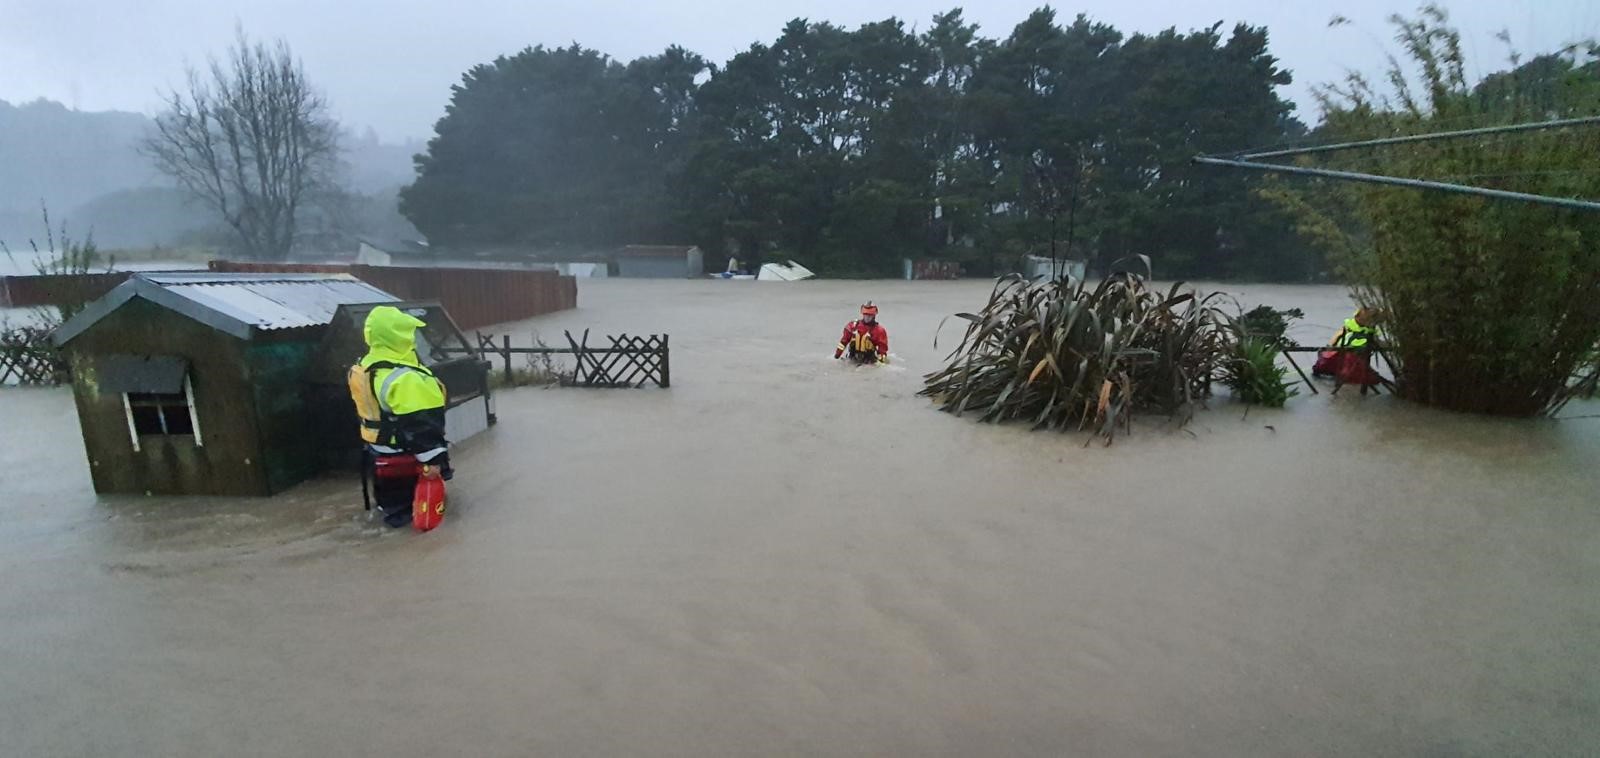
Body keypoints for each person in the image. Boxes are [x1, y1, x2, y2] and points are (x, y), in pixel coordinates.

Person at [347, 305, 452, 527]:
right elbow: (421, 424)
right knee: (411, 516)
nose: (412, 338)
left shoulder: (365, 365)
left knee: (390, 509)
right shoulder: (405, 378)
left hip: (377, 450)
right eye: (408, 333)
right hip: (403, 453)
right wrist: (433, 462)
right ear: (399, 336)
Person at [1312, 307, 1384, 391]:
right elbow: (1336, 337)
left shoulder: (1367, 329)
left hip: (1352, 355)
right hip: (1346, 354)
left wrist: (1330, 347)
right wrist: (1330, 347)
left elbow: (1335, 339)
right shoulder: (1351, 326)